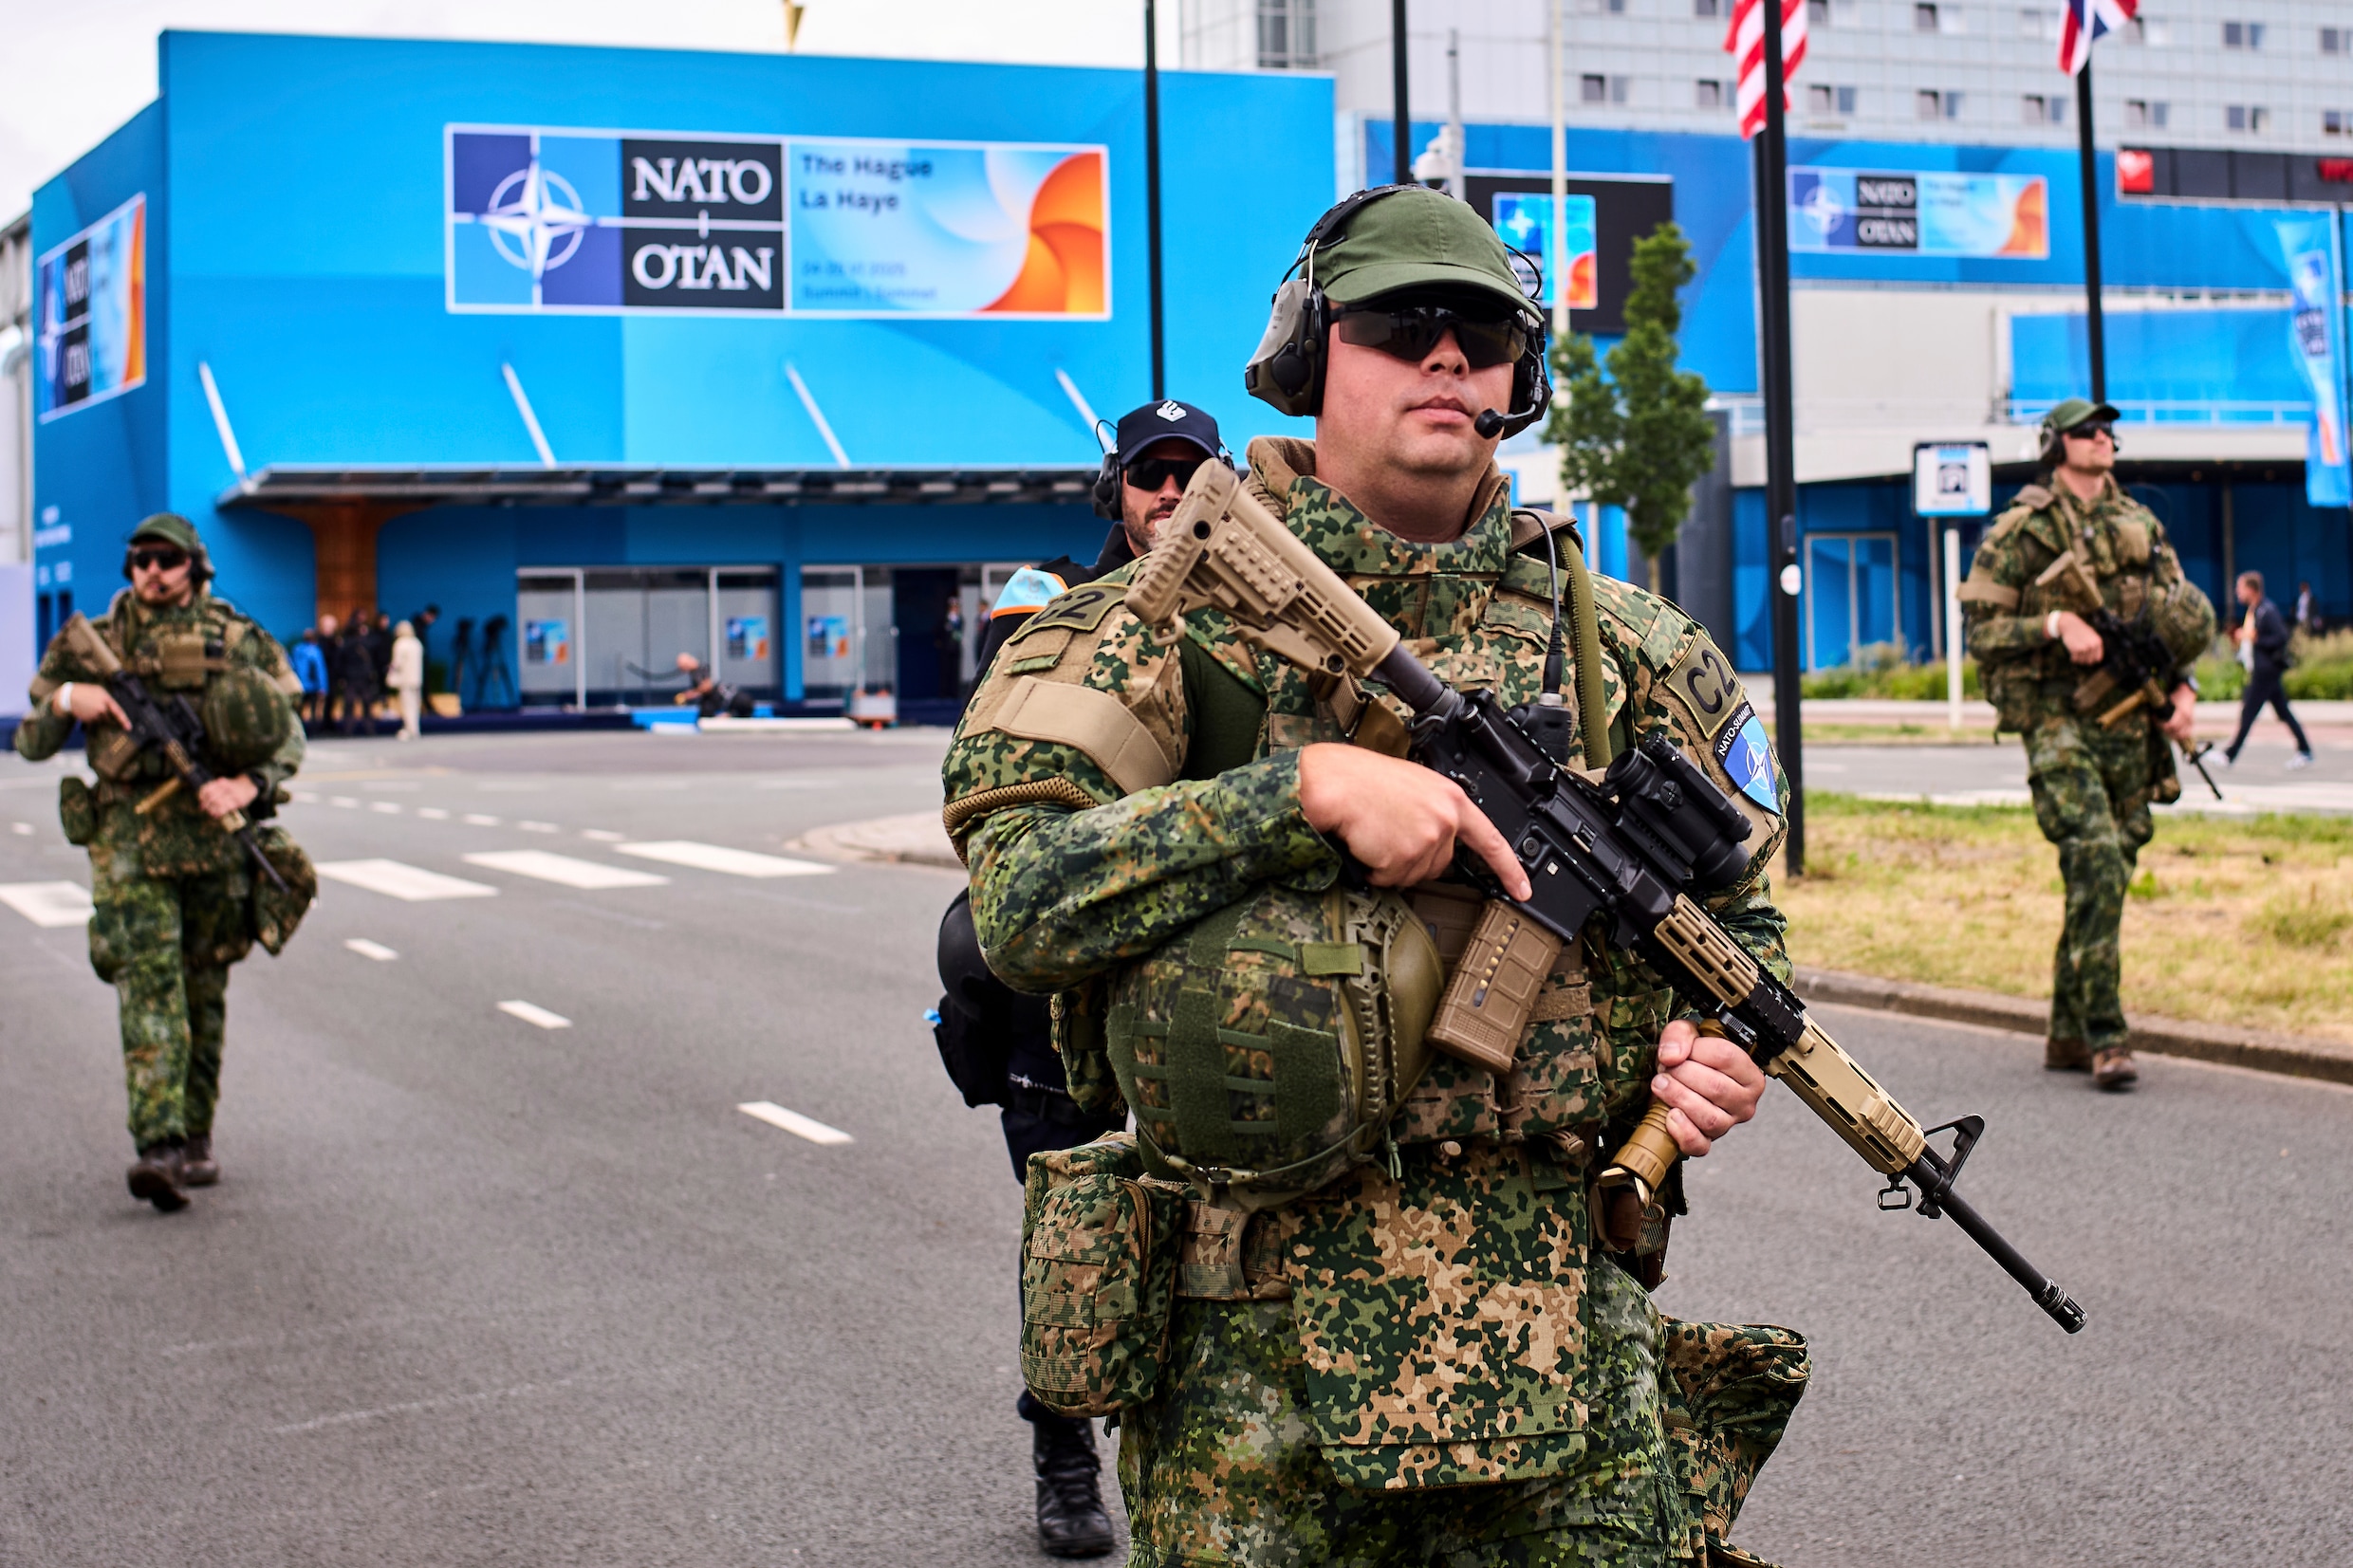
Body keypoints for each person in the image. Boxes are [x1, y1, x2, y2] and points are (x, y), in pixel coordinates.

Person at [944, 189, 1798, 1567]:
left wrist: (1714, 1062)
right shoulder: (1152, 625)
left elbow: (1744, 917)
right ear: (1310, 352)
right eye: (1404, 324)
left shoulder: (1636, 654)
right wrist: (1298, 797)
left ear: (1523, 374)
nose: (1449, 359)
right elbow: (1023, 906)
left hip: (1568, 1365)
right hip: (1255, 1384)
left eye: (1485, 332)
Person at [933, 396, 1226, 1559]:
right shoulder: (1049, 611)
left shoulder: (1273, 618)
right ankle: (1063, 1454)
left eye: (1191, 474)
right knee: (1085, 1243)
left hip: (1219, 993)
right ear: (1116, 490)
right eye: (1150, 475)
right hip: (1065, 1009)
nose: (1171, 495)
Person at [14, 513, 306, 1209]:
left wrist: (251, 783)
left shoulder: (237, 637)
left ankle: (196, 1133)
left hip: (212, 834)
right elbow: (30, 739)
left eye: (167, 559)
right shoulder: (93, 640)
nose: (151, 570)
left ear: (195, 566)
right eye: (140, 557)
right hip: (127, 837)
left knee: (204, 989)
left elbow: (289, 727)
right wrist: (66, 697)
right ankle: (160, 1144)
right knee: (148, 984)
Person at [1961, 398, 2214, 1091]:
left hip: (2132, 723)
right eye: (2088, 431)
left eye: (2109, 431)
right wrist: (2053, 623)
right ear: (2056, 444)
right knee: (2097, 856)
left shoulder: (2140, 522)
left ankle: (2065, 1032)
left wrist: (2183, 689)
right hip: (2057, 720)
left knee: (2108, 866)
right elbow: (1981, 632)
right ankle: (2107, 1035)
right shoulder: (2022, 530)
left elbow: (2175, 613)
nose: (2104, 439)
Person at [2223, 571, 2313, 770]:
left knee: (2249, 712)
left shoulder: (2267, 611)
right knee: (2283, 712)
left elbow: (2281, 637)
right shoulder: (2255, 611)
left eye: (2240, 588)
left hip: (2267, 671)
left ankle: (2229, 754)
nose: (2237, 592)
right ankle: (2305, 750)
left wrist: (2256, 640)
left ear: (2251, 589)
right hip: (2263, 670)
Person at [336, 611, 381, 736]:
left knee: (349, 705)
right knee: (367, 704)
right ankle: (370, 729)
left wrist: (341, 677)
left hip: (350, 678)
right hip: (364, 678)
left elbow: (339, 662)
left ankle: (348, 730)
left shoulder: (345, 645)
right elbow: (374, 657)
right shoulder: (366, 644)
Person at [671, 651, 754, 718]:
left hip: (732, 700)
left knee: (743, 703)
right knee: (705, 714)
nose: (682, 669)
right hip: (717, 704)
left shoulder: (702, 669)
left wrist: (687, 695)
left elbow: (707, 687)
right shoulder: (694, 673)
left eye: (682, 666)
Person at [388, 618, 425, 740]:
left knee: (407, 705)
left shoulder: (400, 643)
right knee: (415, 705)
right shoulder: (416, 643)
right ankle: (415, 729)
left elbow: (397, 663)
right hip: (417, 679)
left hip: (405, 679)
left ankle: (410, 729)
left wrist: (390, 673)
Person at [291, 624, 329, 727]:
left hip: (299, 684)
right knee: (313, 709)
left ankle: (298, 728)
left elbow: (292, 667)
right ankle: (314, 729)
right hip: (313, 685)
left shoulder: (296, 649)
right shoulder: (315, 651)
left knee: (299, 708)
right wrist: (322, 687)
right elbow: (319, 670)